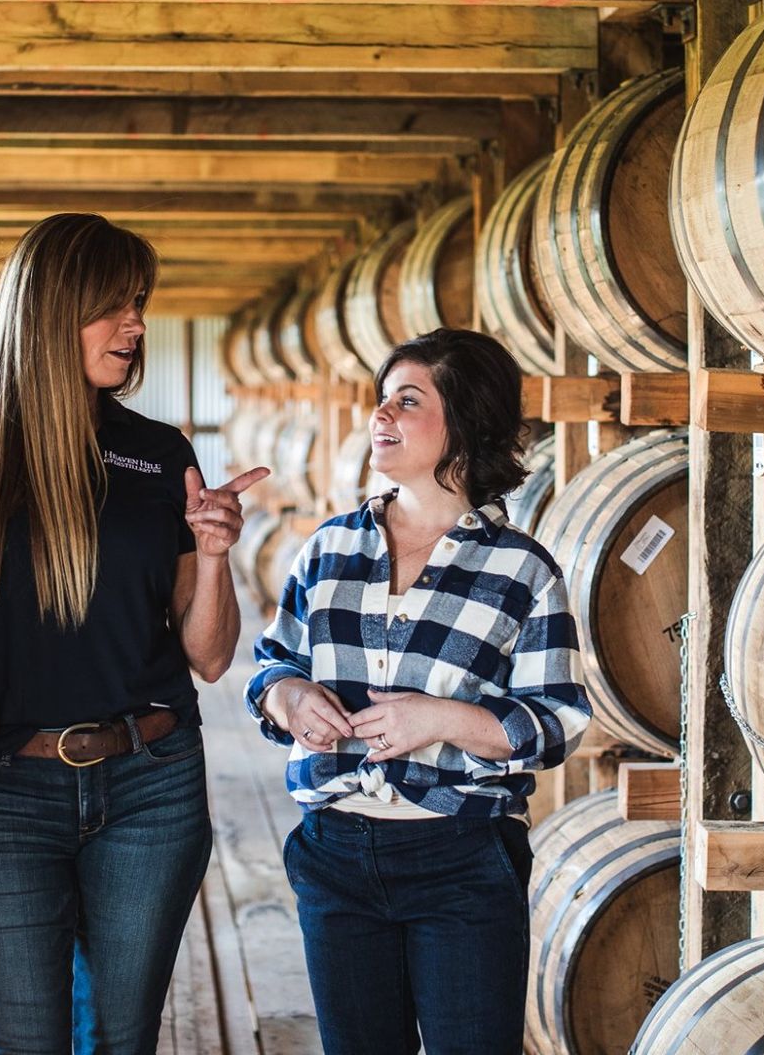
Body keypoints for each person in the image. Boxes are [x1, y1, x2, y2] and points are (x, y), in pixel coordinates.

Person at [0, 213, 267, 1055]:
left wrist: (215, 555)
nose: (136, 324)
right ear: (46, 312)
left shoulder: (157, 453)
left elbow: (211, 657)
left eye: (138, 304)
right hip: (2, 791)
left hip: (151, 786)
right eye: (113, 305)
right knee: (22, 1043)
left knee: (119, 1039)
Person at [246, 328, 592, 1055]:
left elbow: (557, 720)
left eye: (408, 402)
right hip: (335, 850)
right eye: (381, 401)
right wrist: (289, 698)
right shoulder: (330, 548)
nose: (381, 417)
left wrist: (443, 719)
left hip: (460, 858)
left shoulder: (521, 570)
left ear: (465, 422)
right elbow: (273, 662)